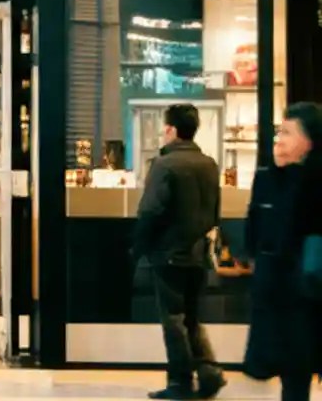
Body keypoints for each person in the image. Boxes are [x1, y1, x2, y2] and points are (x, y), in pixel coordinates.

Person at [133, 103, 225, 400]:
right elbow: (214, 212)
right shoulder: (209, 164)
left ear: (171, 129)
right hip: (199, 253)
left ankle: (180, 382)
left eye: (164, 127)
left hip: (169, 253)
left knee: (173, 319)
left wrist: (140, 246)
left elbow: (150, 210)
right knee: (192, 317)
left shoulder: (164, 165)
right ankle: (209, 372)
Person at [243, 102, 322, 401]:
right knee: (293, 375)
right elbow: (254, 232)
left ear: (309, 142)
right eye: (278, 132)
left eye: (288, 133)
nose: (279, 140)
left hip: (311, 292)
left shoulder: (313, 182)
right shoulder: (267, 179)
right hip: (282, 296)